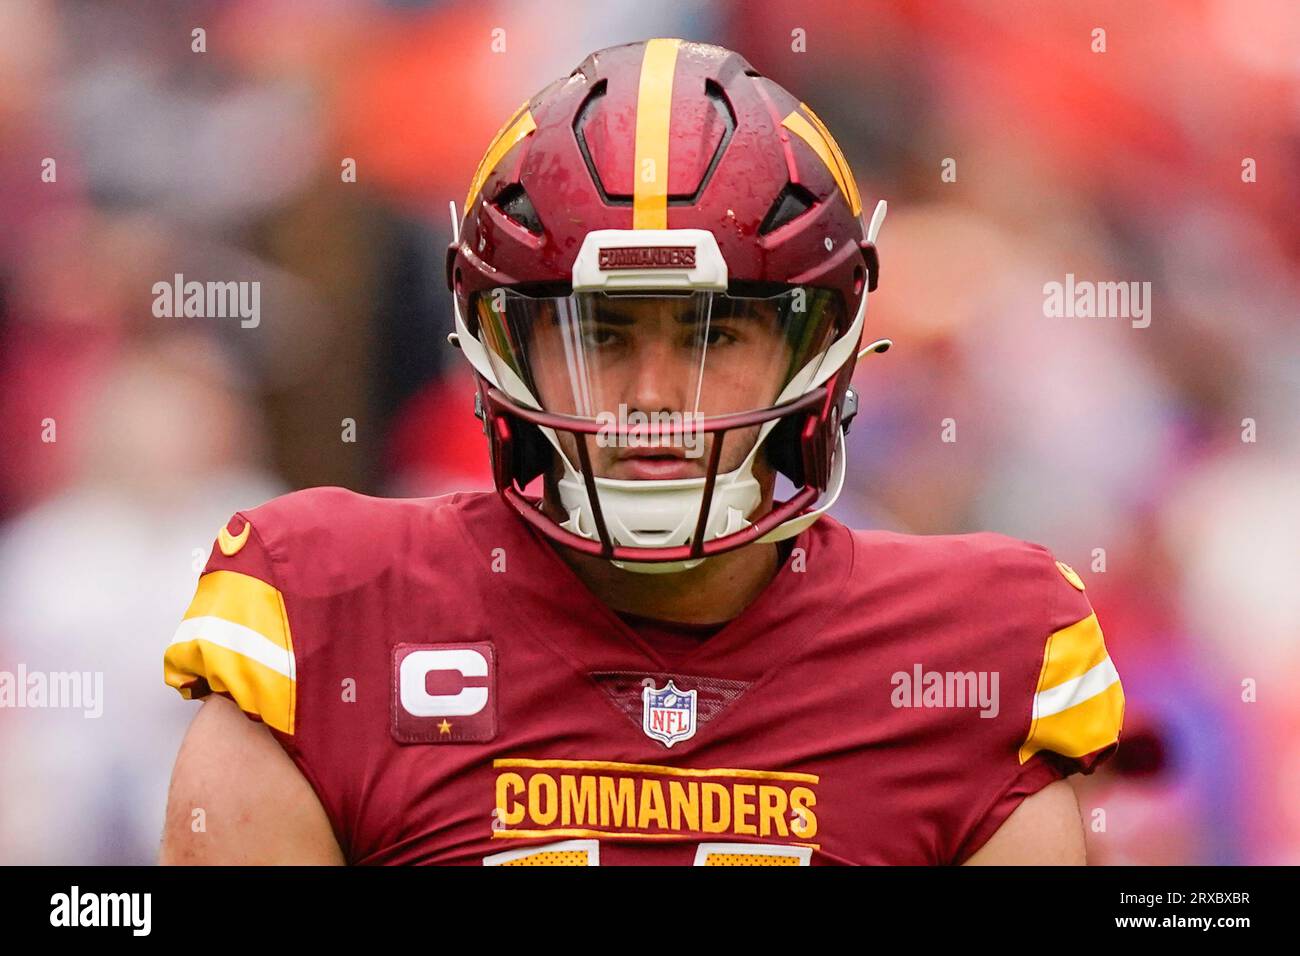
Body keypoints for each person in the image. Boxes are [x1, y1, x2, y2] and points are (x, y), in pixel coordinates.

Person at [160, 38, 1123, 865]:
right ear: (501, 344)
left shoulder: (979, 655)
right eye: (604, 335)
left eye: (715, 336)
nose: (654, 397)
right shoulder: (329, 616)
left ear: (818, 341)